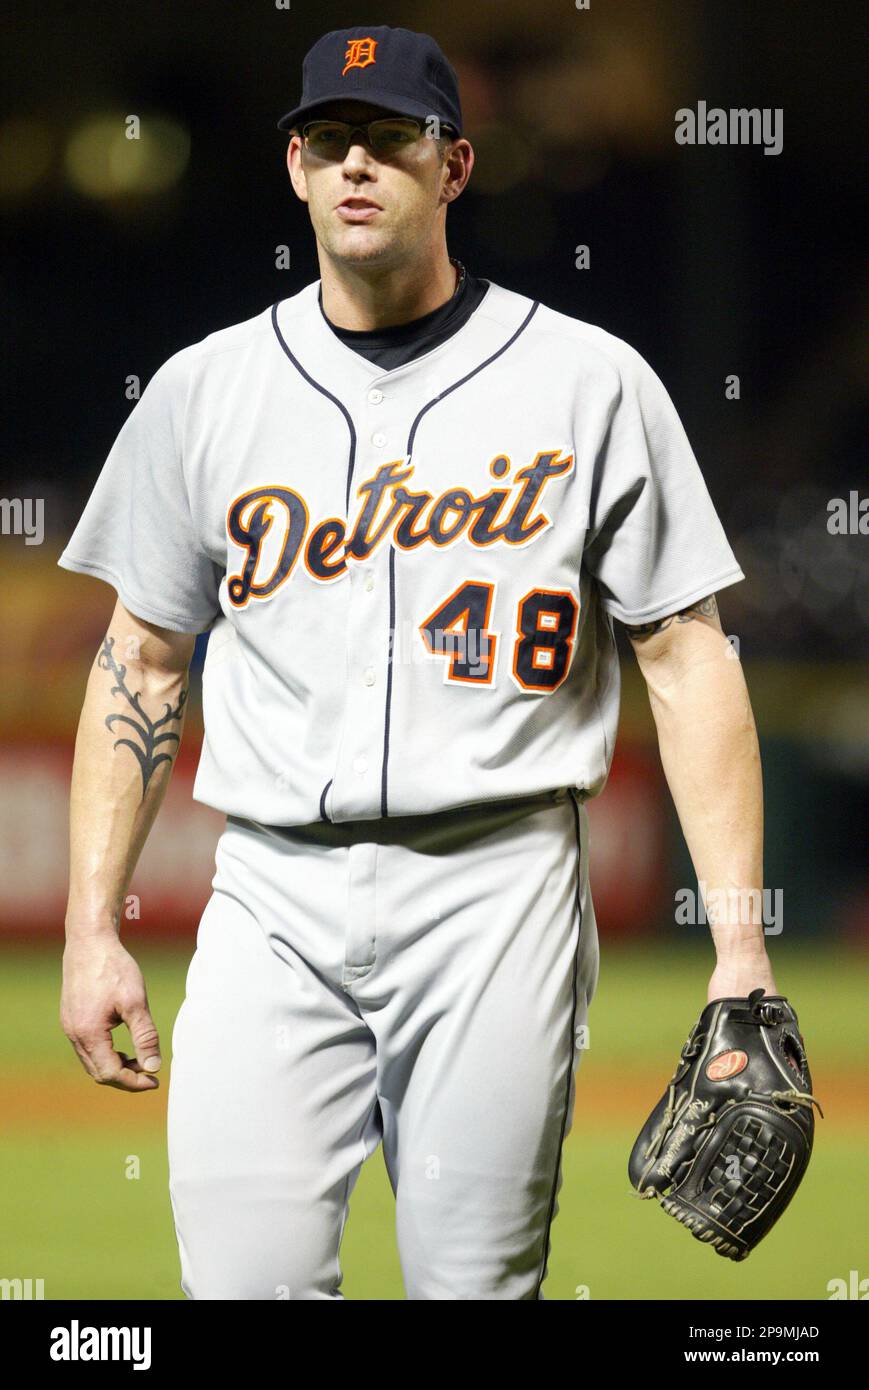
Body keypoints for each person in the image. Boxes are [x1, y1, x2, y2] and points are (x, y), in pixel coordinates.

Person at [57, 25, 777, 1300]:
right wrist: (90, 927)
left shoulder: (589, 383)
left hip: (496, 884)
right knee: (240, 1287)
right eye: (329, 139)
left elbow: (686, 659)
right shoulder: (203, 390)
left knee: (472, 1290)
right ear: (293, 166)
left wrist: (738, 946)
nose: (356, 165)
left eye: (391, 138)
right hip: (269, 894)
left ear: (453, 167)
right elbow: (141, 665)